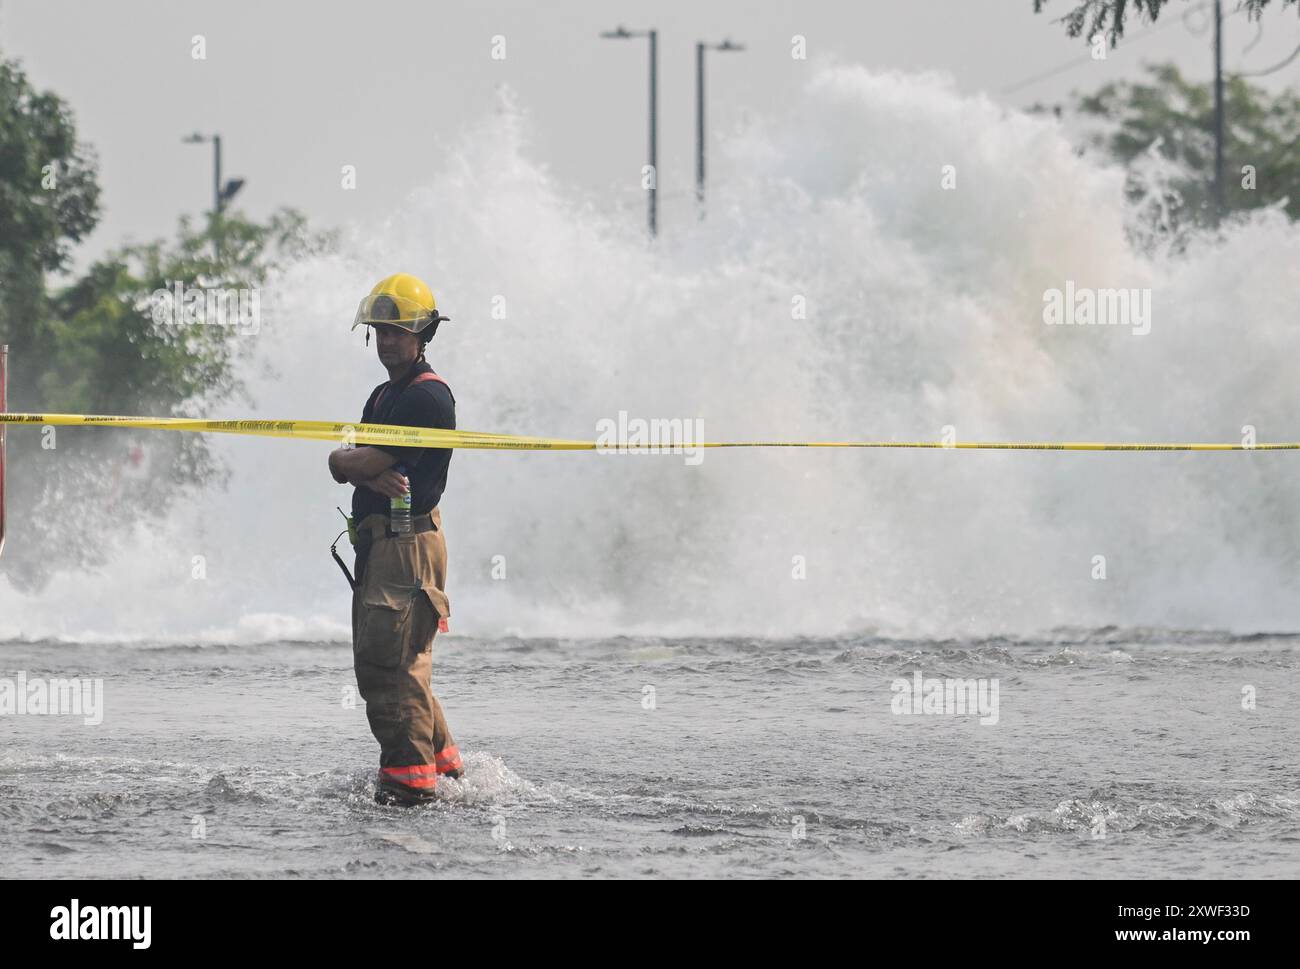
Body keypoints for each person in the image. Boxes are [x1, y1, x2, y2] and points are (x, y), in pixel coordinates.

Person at [327, 273, 463, 805]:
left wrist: (356, 464)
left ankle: (410, 790)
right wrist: (354, 465)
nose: (386, 341)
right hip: (383, 546)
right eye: (380, 331)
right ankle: (447, 772)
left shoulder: (427, 399)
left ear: (423, 333)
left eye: (397, 331)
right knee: (404, 666)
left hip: (406, 547)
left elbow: (361, 459)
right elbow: (350, 458)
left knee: (391, 670)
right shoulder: (385, 395)